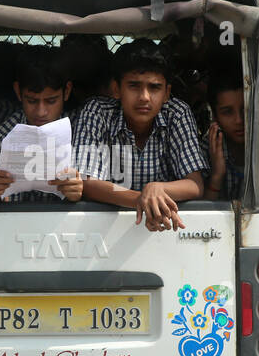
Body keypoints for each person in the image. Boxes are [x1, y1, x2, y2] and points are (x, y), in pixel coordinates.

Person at [72, 38, 209, 231]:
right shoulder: (97, 112)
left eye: (154, 87)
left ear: (167, 93)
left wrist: (157, 188)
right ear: (116, 89)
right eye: (134, 86)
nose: (144, 97)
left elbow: (195, 184)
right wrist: (142, 199)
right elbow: (87, 183)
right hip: (102, 232)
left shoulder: (176, 113)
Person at [0, 50, 83, 204]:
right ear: (18, 91)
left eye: (51, 101)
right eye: (32, 101)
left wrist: (80, 190)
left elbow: (98, 185)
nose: (41, 112)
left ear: (67, 91)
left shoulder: (81, 135)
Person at [203, 66, 244, 200]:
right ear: (215, 116)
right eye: (227, 112)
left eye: (245, 110)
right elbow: (202, 214)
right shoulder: (206, 149)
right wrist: (217, 175)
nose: (239, 120)